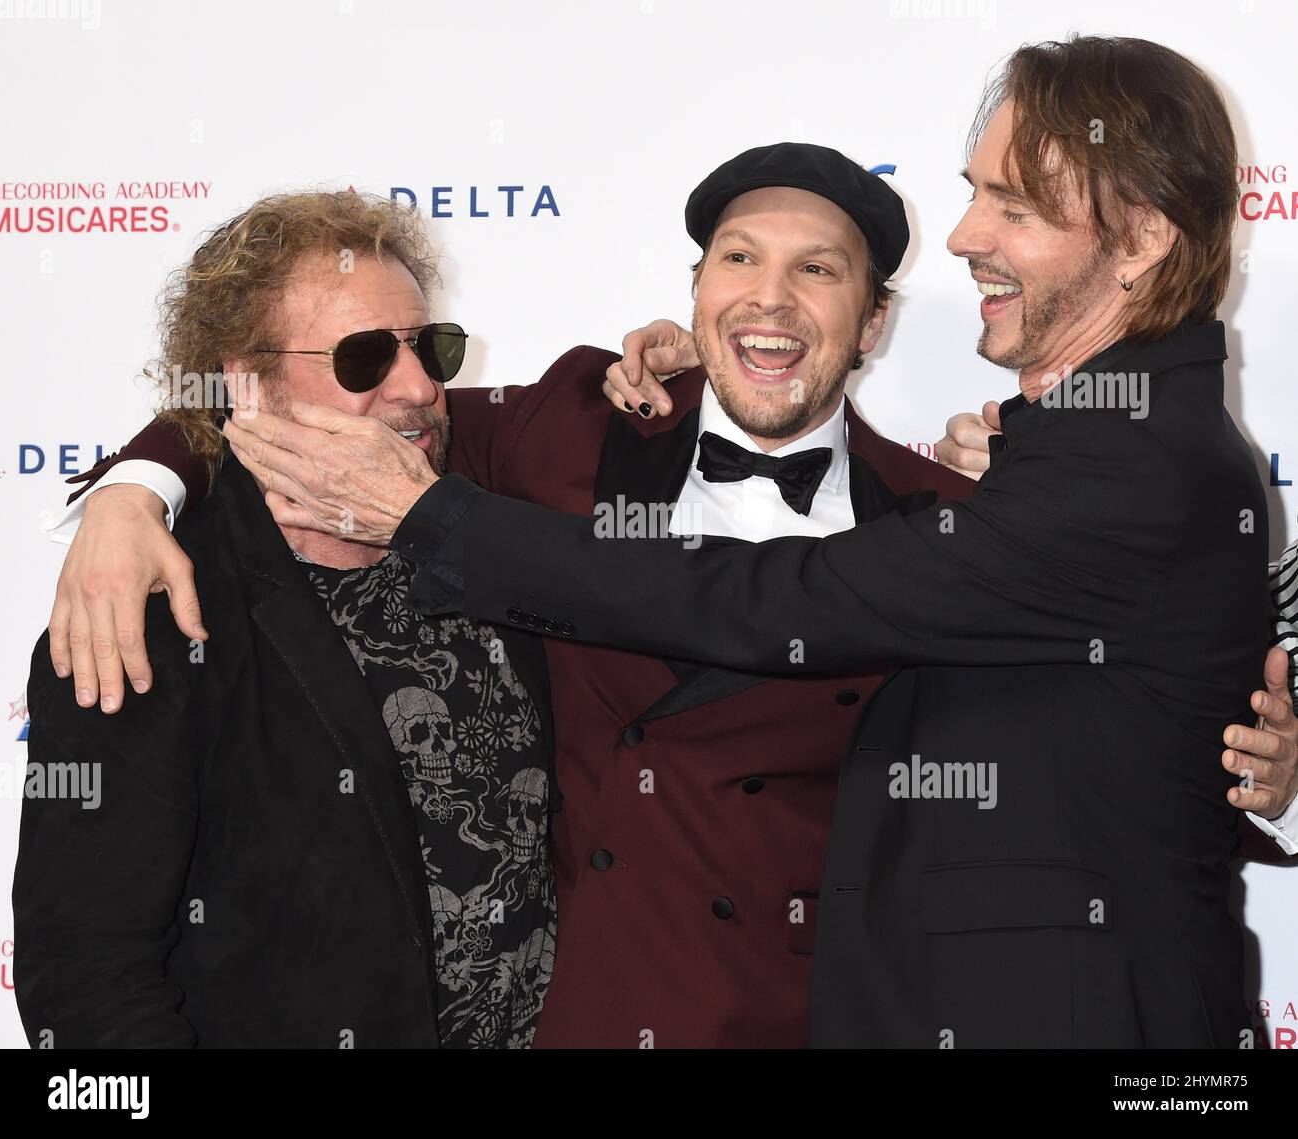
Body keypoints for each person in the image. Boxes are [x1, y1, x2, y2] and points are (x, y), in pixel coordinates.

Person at [212, 37, 1297, 1046]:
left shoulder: (1042, 483)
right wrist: (138, 482)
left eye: (1010, 203)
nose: (965, 234)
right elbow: (313, 392)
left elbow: (785, 601)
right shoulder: (578, 422)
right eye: (736, 258)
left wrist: (429, 517)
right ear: (694, 287)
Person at [15, 191, 556, 1048]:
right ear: (247, 382)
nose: (418, 389)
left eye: (430, 349)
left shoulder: (486, 538)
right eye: (365, 358)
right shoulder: (147, 618)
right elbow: (86, 984)